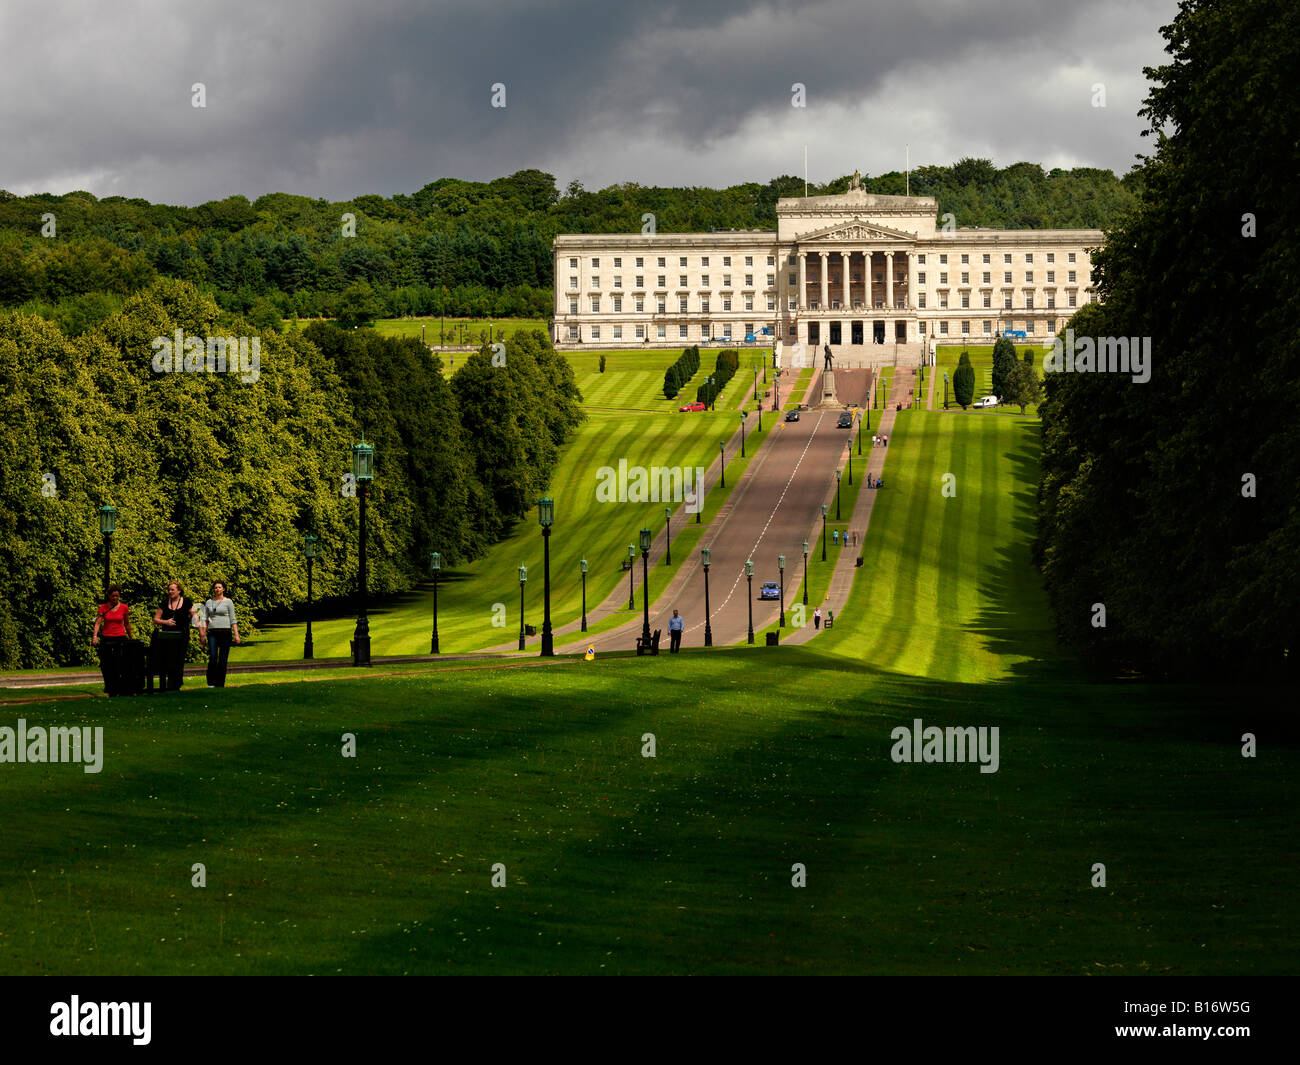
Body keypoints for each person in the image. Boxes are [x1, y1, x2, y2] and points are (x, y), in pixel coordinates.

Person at [92, 584, 134, 696]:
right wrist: (95, 636)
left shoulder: (124, 607)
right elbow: (98, 623)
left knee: (120, 664)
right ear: (109, 596)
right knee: (106, 664)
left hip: (120, 637)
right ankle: (109, 686)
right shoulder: (103, 607)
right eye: (113, 596)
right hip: (107, 638)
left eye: (117, 596)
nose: (115, 598)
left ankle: (120, 686)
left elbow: (127, 623)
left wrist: (131, 637)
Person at [152, 580, 192, 692]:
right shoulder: (164, 603)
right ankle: (170, 684)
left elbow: (194, 616)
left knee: (179, 659)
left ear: (179, 591)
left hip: (182, 634)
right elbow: (156, 619)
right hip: (168, 635)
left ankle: (177, 684)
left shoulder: (187, 602)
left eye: (172, 589)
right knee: (169, 659)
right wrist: (166, 622)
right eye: (169, 590)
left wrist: (201, 631)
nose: (170, 592)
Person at [199, 581, 241, 688]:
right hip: (212, 633)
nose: (217, 589)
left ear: (223, 589)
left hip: (225, 632)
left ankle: (220, 683)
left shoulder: (228, 602)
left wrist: (236, 635)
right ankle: (211, 682)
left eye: (219, 587)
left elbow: (233, 619)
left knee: (223, 659)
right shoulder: (209, 602)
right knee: (213, 657)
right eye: (215, 587)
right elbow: (205, 619)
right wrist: (202, 635)